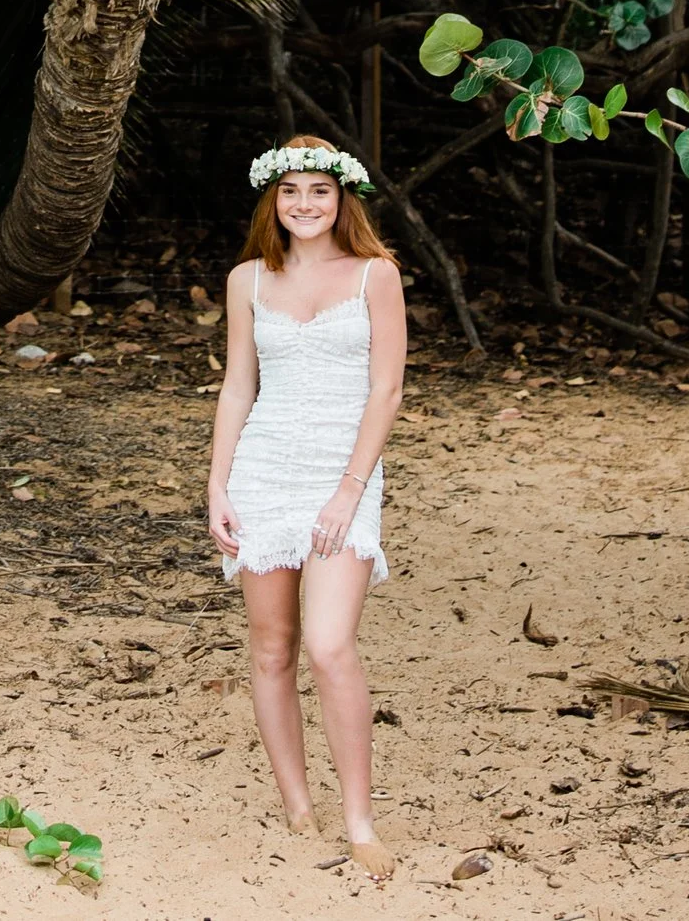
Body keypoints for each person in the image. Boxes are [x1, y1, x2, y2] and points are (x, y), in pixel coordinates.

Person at [205, 134, 406, 881]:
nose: (306, 204)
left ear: (342, 196)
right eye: (291, 191)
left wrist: (350, 487)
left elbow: (385, 391)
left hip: (343, 472)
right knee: (270, 646)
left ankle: (360, 820)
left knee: (328, 644)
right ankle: (297, 802)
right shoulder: (247, 280)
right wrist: (218, 483)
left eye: (319, 190)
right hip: (264, 468)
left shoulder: (376, 275)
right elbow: (236, 387)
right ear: (273, 200)